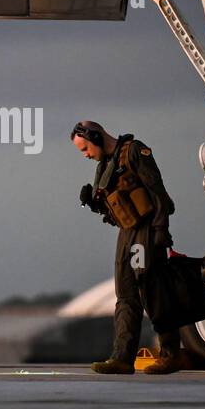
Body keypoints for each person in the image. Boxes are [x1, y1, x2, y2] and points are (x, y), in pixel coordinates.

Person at [72, 120, 182, 374]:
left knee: (149, 289)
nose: (86, 155)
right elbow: (113, 210)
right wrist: (92, 202)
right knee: (125, 293)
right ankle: (122, 358)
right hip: (127, 232)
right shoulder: (105, 167)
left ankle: (171, 353)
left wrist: (161, 230)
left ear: (95, 137)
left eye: (85, 148)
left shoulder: (134, 152)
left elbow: (157, 192)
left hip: (146, 230)